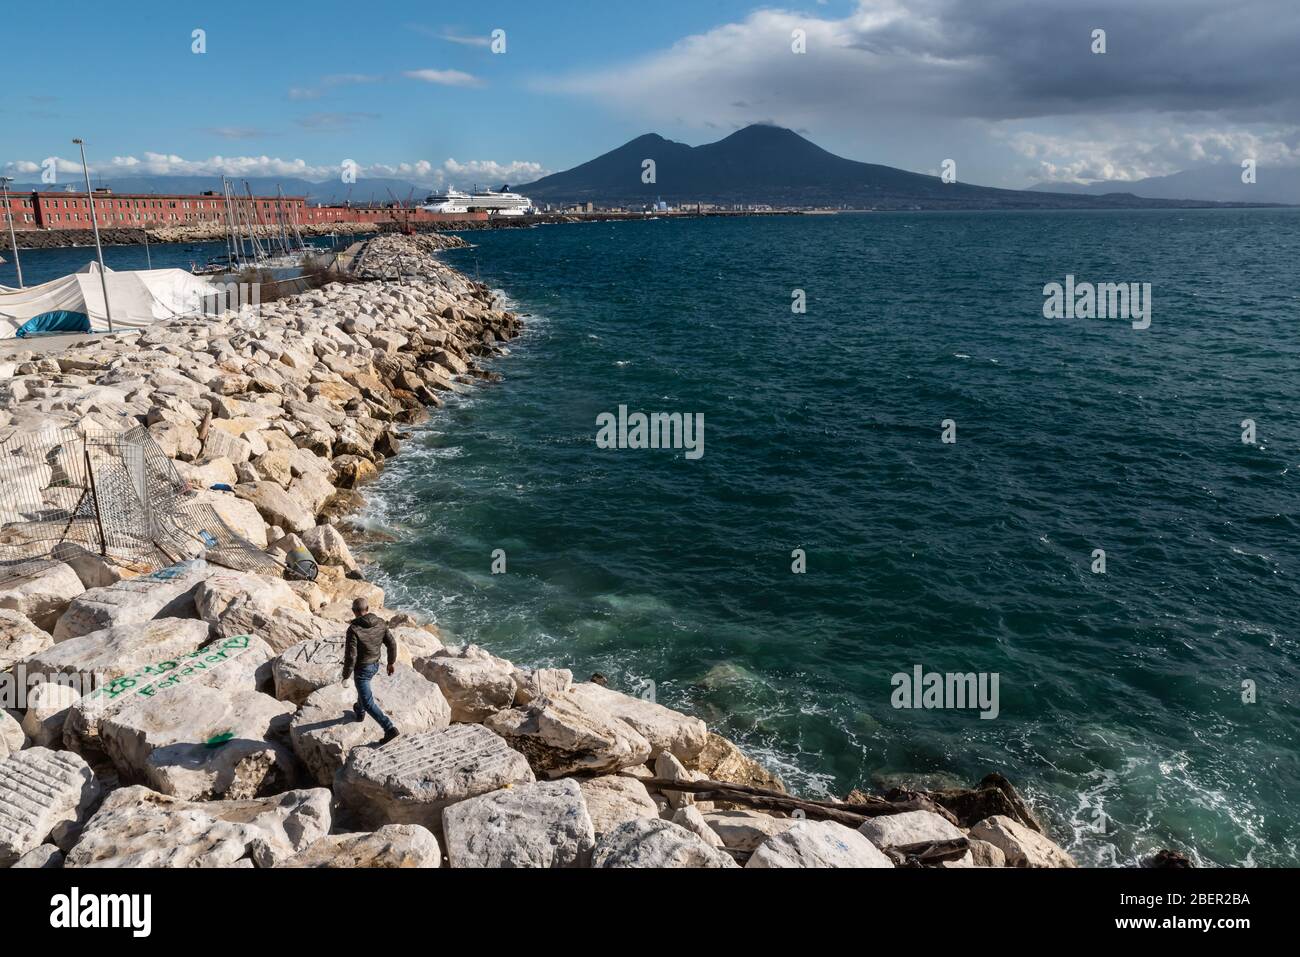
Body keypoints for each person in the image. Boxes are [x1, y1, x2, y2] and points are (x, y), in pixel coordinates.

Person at [341, 597, 400, 745]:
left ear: (354, 611)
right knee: (363, 695)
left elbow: (351, 655)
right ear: (367, 609)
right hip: (375, 665)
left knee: (368, 702)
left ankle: (389, 728)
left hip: (362, 669)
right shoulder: (380, 623)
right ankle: (359, 711)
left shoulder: (353, 629)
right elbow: (392, 643)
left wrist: (346, 676)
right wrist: (390, 663)